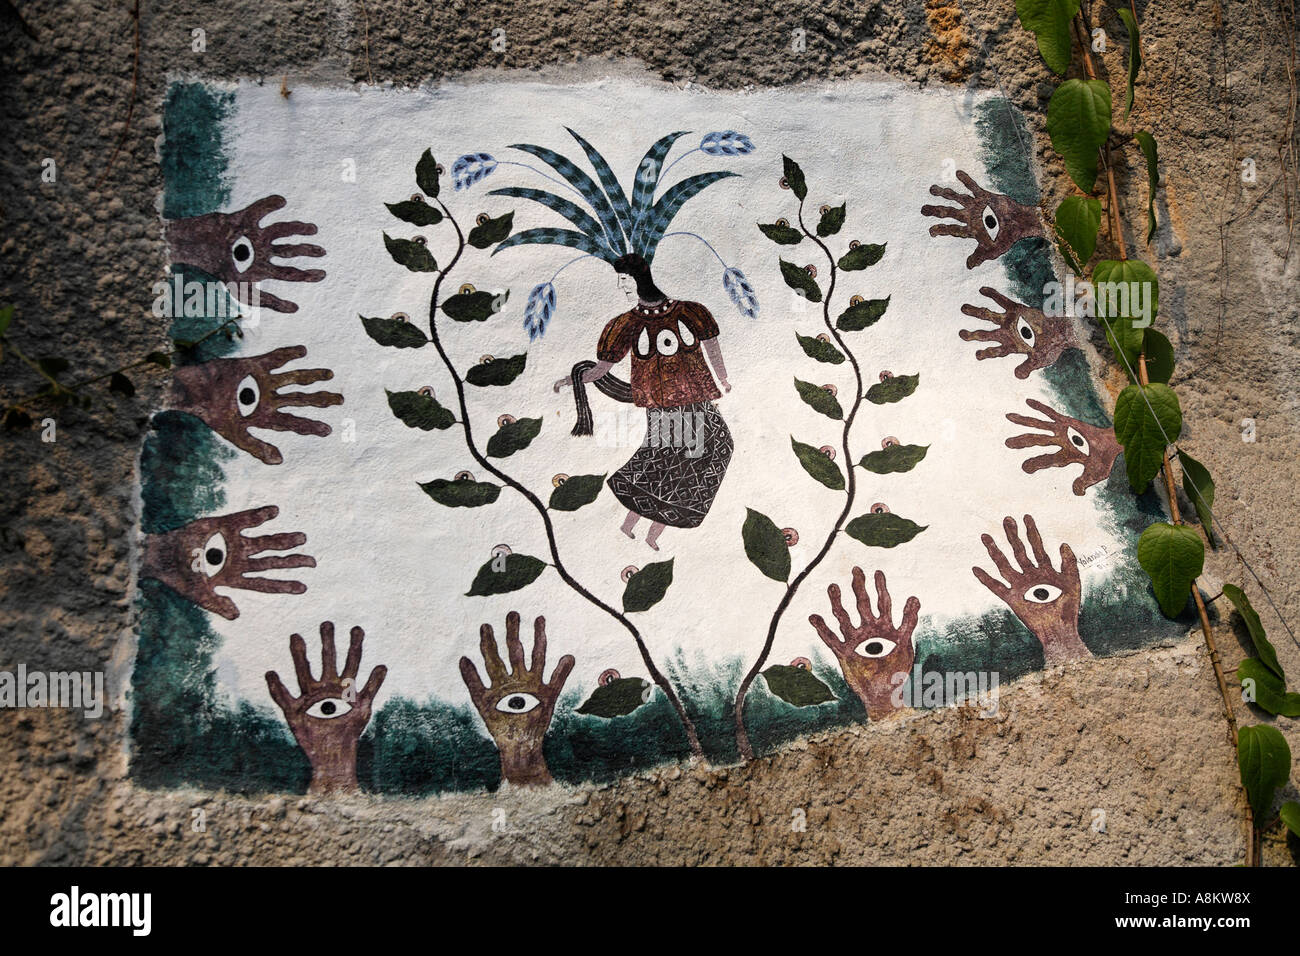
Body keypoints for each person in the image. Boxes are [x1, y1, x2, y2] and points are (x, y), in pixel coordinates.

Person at [555, 253, 733, 550]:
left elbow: (711, 343)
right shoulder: (626, 324)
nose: (622, 288)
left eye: (624, 281)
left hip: (694, 402)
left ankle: (636, 527)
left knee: (688, 460)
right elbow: (603, 368)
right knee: (670, 465)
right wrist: (574, 378)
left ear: (639, 279)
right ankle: (642, 529)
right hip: (663, 408)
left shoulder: (689, 311)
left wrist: (723, 377)